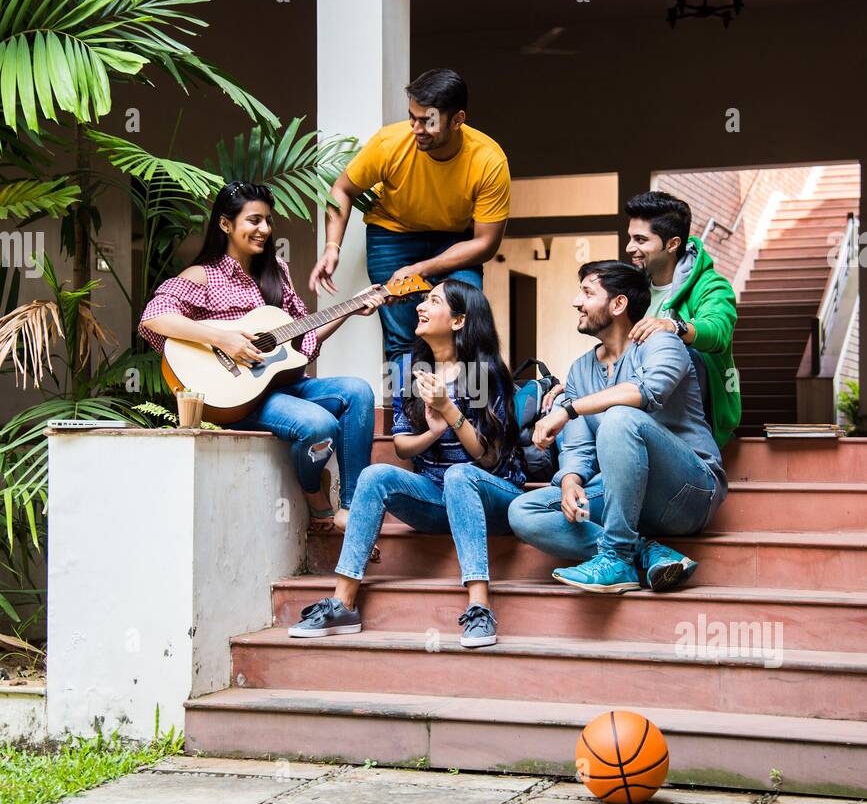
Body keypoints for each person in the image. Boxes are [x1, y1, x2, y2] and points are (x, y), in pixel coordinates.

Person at [288, 280, 526, 648]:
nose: (420, 306)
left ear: (459, 321)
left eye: (433, 301)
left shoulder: (488, 372)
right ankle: (343, 602)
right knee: (375, 474)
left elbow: (489, 458)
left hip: (493, 497)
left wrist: (450, 410)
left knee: (462, 474)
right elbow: (401, 447)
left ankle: (480, 608)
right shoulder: (409, 371)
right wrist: (432, 433)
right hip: (437, 498)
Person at [139, 181, 383, 533]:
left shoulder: (277, 272)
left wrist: (349, 308)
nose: (264, 230)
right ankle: (315, 495)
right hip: (240, 398)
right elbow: (154, 317)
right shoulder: (202, 275)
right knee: (319, 425)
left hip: (283, 384)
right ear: (225, 224)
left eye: (268, 221)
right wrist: (224, 338)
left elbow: (303, 341)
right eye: (254, 220)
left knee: (358, 391)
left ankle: (351, 508)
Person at [508, 260, 728, 593]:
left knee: (620, 416)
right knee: (524, 510)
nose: (576, 302)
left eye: (587, 292)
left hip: (687, 492)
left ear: (618, 303)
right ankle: (643, 552)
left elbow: (648, 392)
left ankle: (615, 558)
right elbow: (579, 447)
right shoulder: (582, 368)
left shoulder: (661, 343)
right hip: (622, 497)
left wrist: (567, 408)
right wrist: (570, 481)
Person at [308, 68, 510, 387]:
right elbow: (342, 189)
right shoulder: (390, 142)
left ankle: (472, 425)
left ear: (457, 120)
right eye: (411, 117)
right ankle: (408, 425)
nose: (416, 128)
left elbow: (486, 243)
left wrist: (420, 268)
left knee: (467, 327)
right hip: (393, 236)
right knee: (403, 339)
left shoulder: (488, 160)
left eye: (427, 120)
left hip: (455, 240)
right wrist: (332, 246)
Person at [625, 190, 740, 446]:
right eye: (630, 238)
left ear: (672, 244)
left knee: (674, 347)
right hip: (637, 409)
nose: (630, 248)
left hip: (693, 421)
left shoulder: (711, 286)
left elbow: (717, 331)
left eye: (641, 240)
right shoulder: (634, 288)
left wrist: (674, 326)